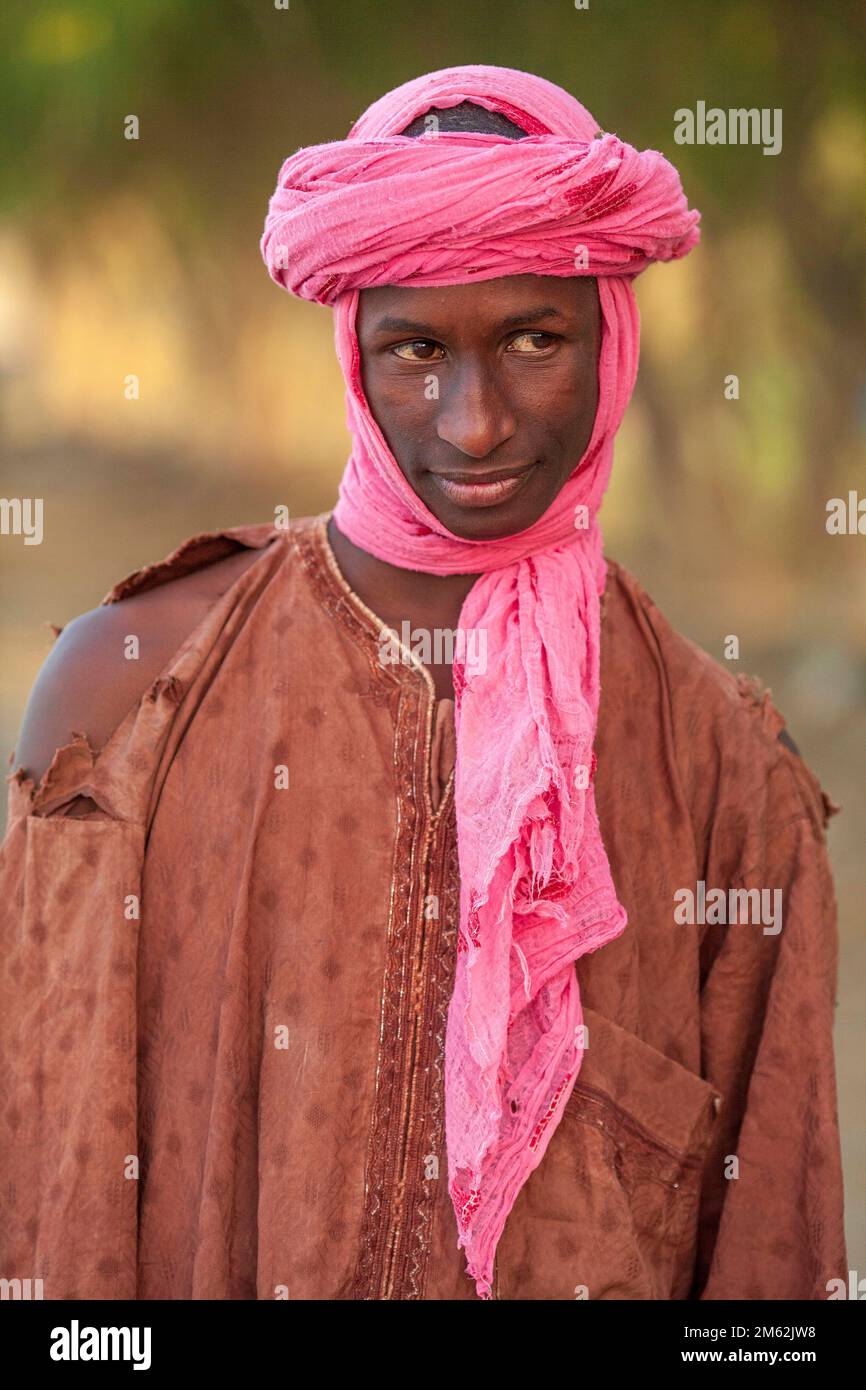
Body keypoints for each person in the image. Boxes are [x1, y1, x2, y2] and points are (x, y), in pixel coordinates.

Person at [0, 65, 847, 1301]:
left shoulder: (724, 779)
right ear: (352, 353)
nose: (472, 425)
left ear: (612, 343)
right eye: (414, 350)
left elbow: (768, 1254)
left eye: (532, 340)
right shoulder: (128, 698)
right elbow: (50, 1206)